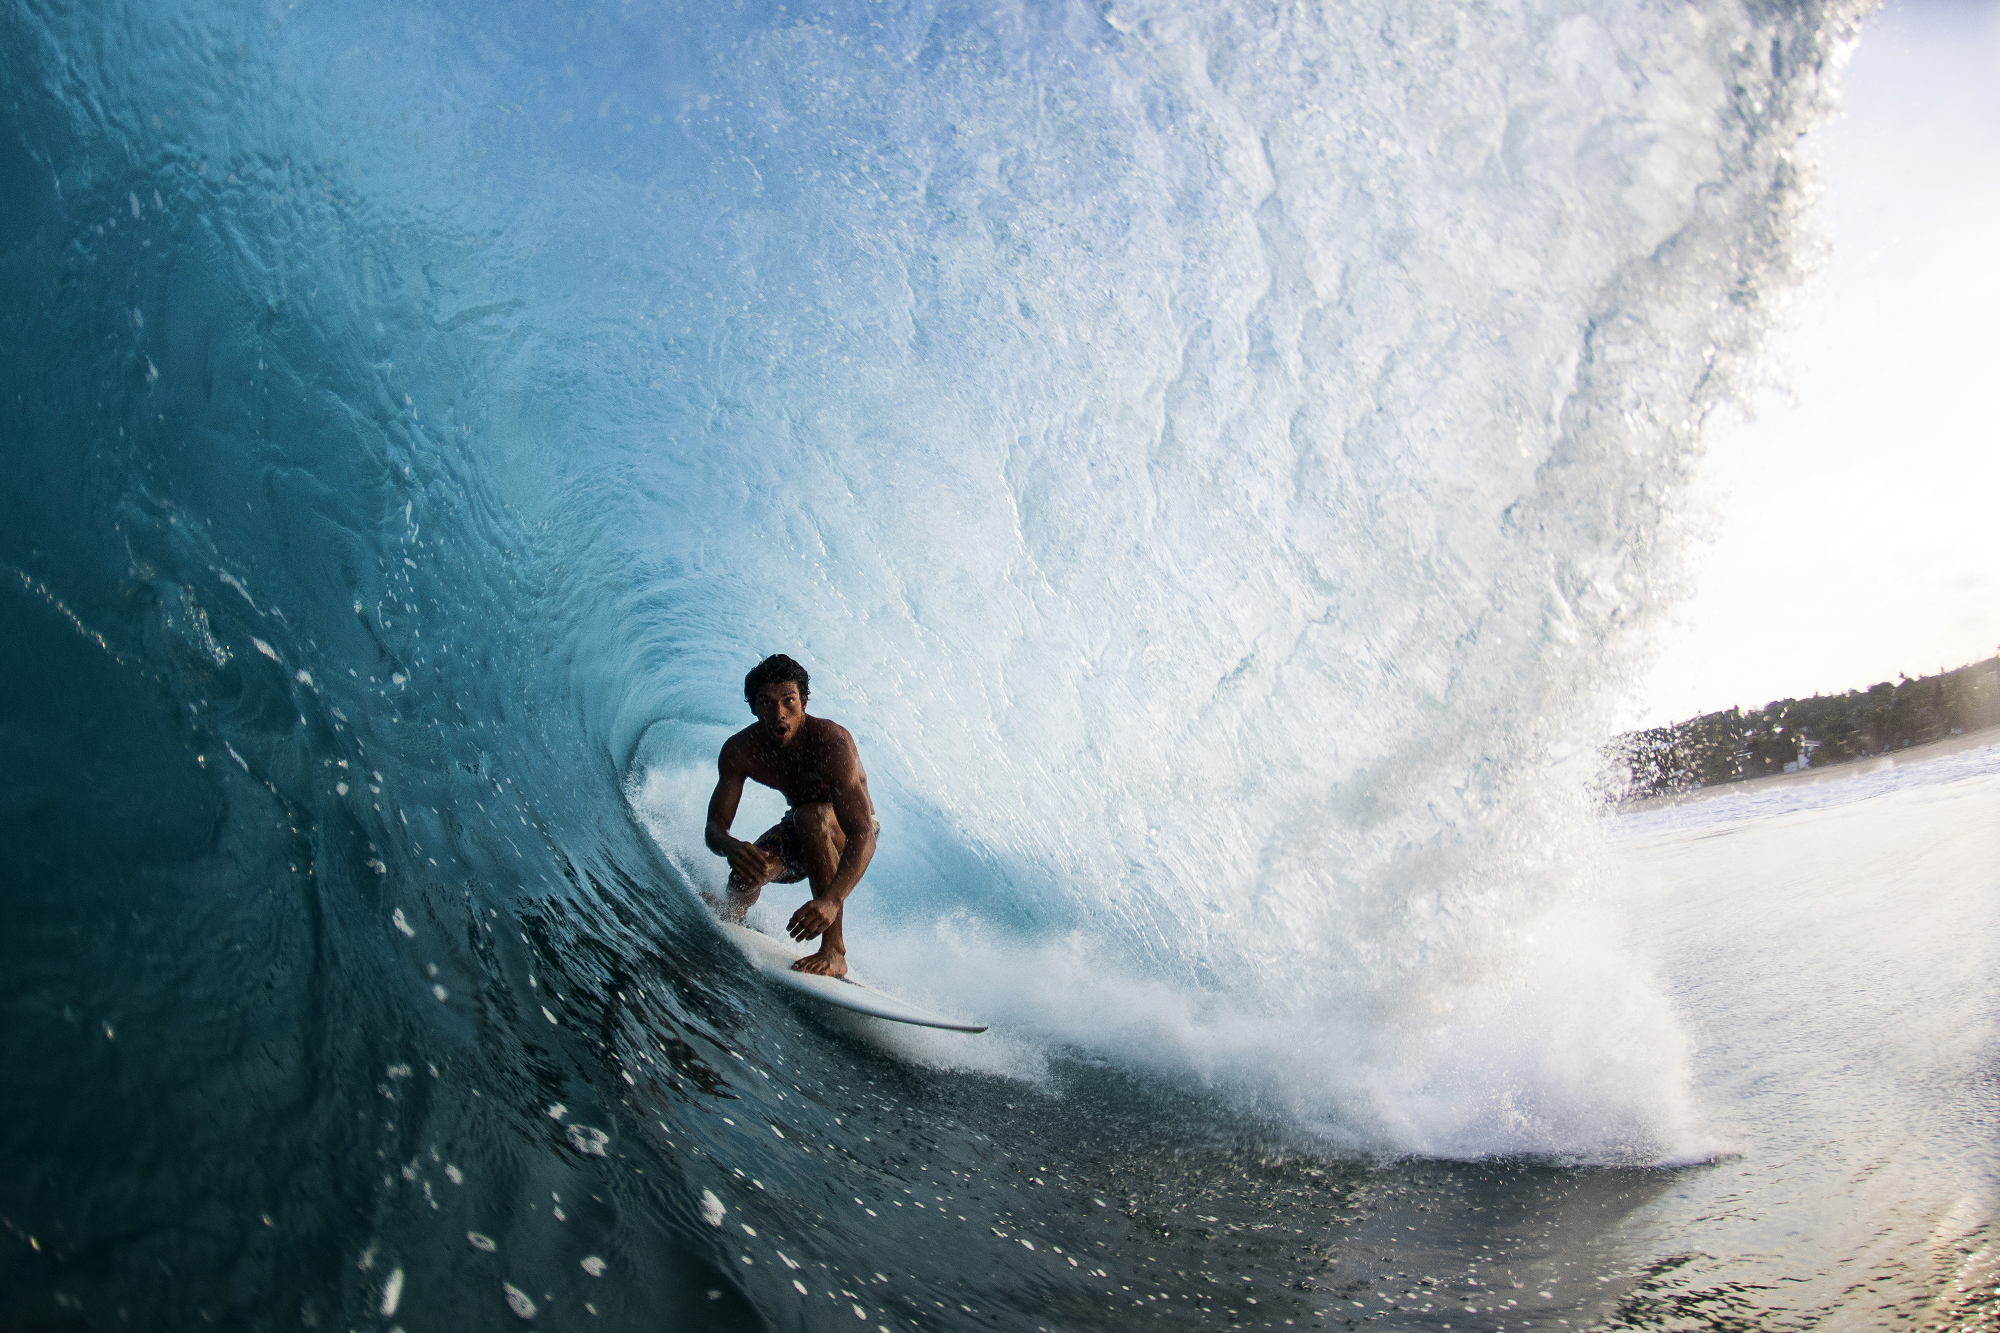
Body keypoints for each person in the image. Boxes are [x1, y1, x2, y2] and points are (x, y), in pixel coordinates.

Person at [704, 654, 877, 977]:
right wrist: (731, 847)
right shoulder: (740, 751)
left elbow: (863, 833)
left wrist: (832, 901)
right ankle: (732, 914)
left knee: (811, 817)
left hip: (850, 828)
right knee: (748, 873)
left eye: (789, 700)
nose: (778, 713)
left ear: (805, 701)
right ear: (753, 707)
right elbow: (714, 828)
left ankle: (834, 952)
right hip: (799, 825)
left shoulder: (831, 744)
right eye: (766, 702)